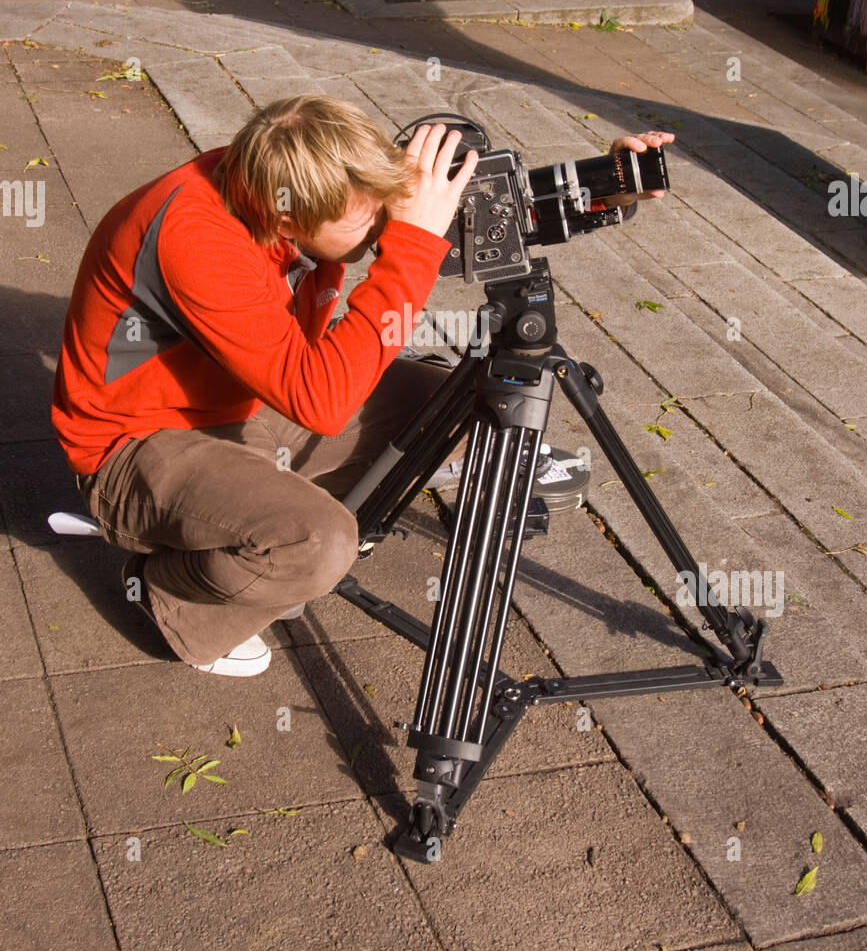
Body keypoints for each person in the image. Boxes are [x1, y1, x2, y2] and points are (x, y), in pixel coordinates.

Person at [51, 93, 670, 677]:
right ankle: (172, 594)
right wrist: (413, 244)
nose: (385, 227)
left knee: (461, 404)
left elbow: (483, 218)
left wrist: (606, 188)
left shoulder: (311, 180)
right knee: (318, 544)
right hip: (138, 443)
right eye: (371, 221)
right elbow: (321, 403)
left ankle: (259, 519)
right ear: (286, 216)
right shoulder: (197, 237)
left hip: (257, 395)